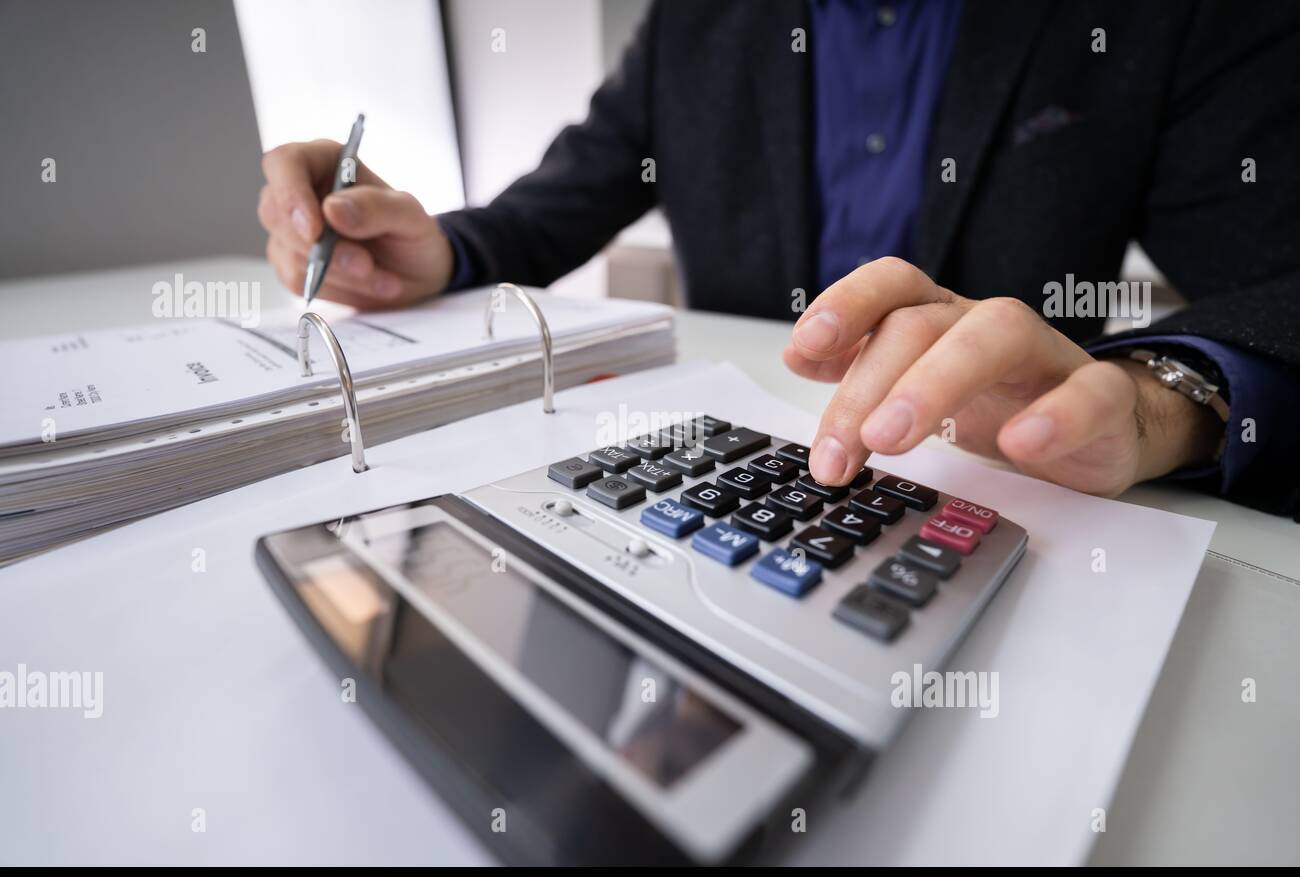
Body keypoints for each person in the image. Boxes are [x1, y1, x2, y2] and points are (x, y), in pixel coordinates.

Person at [257, 0, 1300, 518]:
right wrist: (440, 252)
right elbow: (560, 200)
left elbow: (1280, 278)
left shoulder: (1167, 18)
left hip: (1011, 479)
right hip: (727, 463)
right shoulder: (695, 23)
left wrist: (1165, 393)